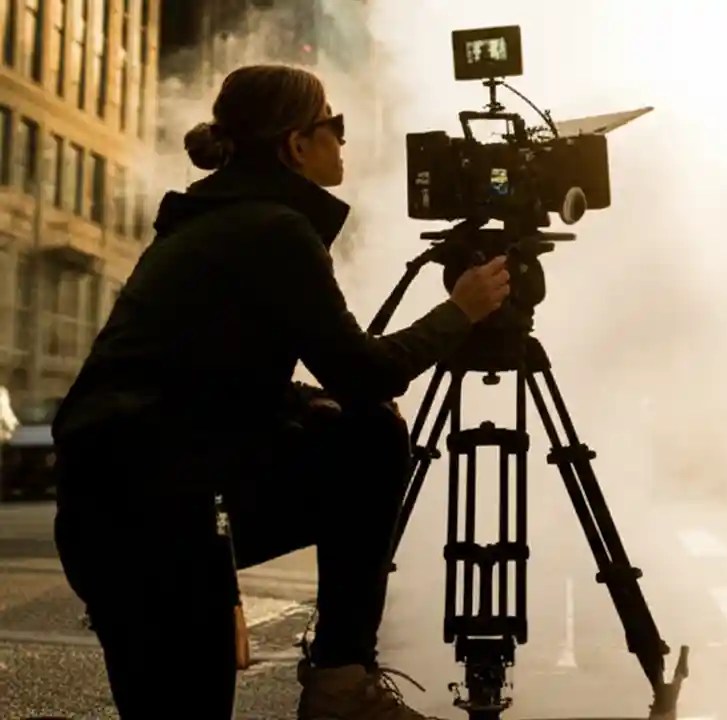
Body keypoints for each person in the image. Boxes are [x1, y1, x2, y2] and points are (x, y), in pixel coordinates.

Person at [51, 64, 510, 719]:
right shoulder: (273, 229)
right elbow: (365, 373)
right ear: (297, 143)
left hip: (115, 511)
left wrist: (300, 402)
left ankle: (341, 679)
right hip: (161, 517)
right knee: (372, 429)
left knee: (354, 428)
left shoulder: (212, 221)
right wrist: (459, 312)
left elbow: (201, 369)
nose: (343, 143)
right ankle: (340, 679)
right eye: (335, 127)